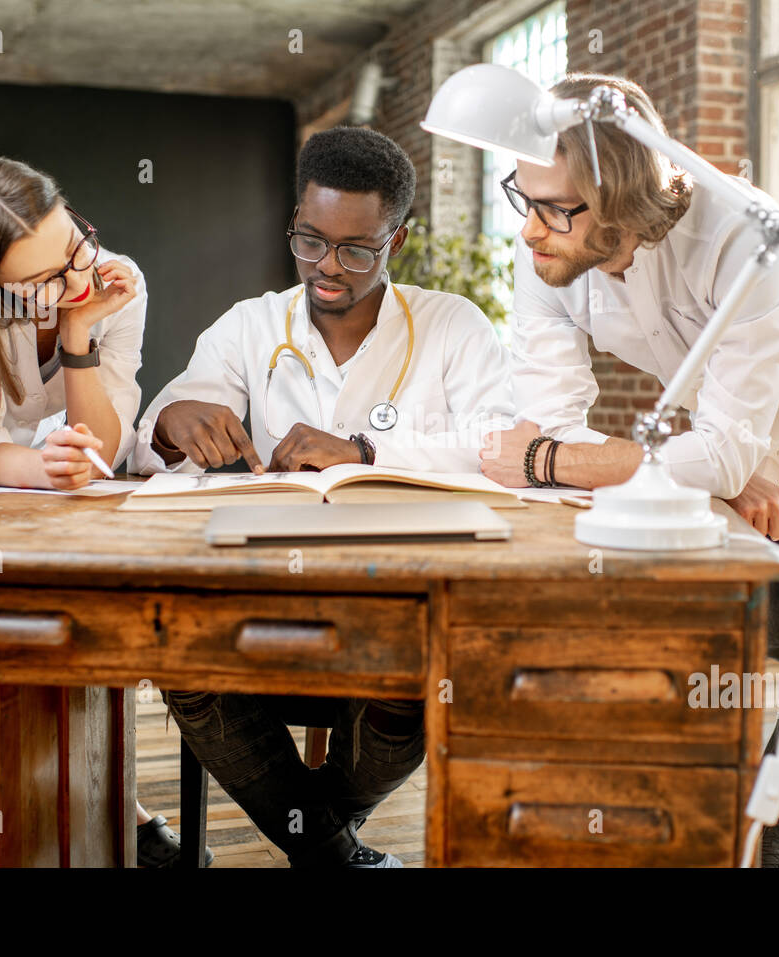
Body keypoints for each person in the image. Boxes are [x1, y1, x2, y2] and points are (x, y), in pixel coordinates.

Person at [480, 73, 779, 867]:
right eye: (523, 199)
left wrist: (568, 459)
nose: (530, 230)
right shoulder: (548, 248)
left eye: (556, 207)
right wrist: (719, 467)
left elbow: (554, 453)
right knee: (760, 618)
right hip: (732, 409)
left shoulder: (743, 238)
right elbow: (558, 420)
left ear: (621, 196)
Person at [133, 126, 514, 867]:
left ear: (396, 240)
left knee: (422, 680)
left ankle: (323, 846)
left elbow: (502, 448)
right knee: (181, 657)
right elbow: (164, 425)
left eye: (356, 249)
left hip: (396, 602)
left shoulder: (452, 327)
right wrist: (175, 423)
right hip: (270, 598)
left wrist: (366, 452)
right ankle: (339, 856)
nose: (327, 267)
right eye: (310, 241)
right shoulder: (250, 325)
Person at [0, 149, 208, 868]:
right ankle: (4, 815)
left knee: (86, 625)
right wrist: (37, 466)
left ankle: (114, 804)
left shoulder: (114, 280)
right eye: (46, 279)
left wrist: (79, 333)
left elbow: (106, 448)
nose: (78, 275)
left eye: (75, 242)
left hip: (61, 499)